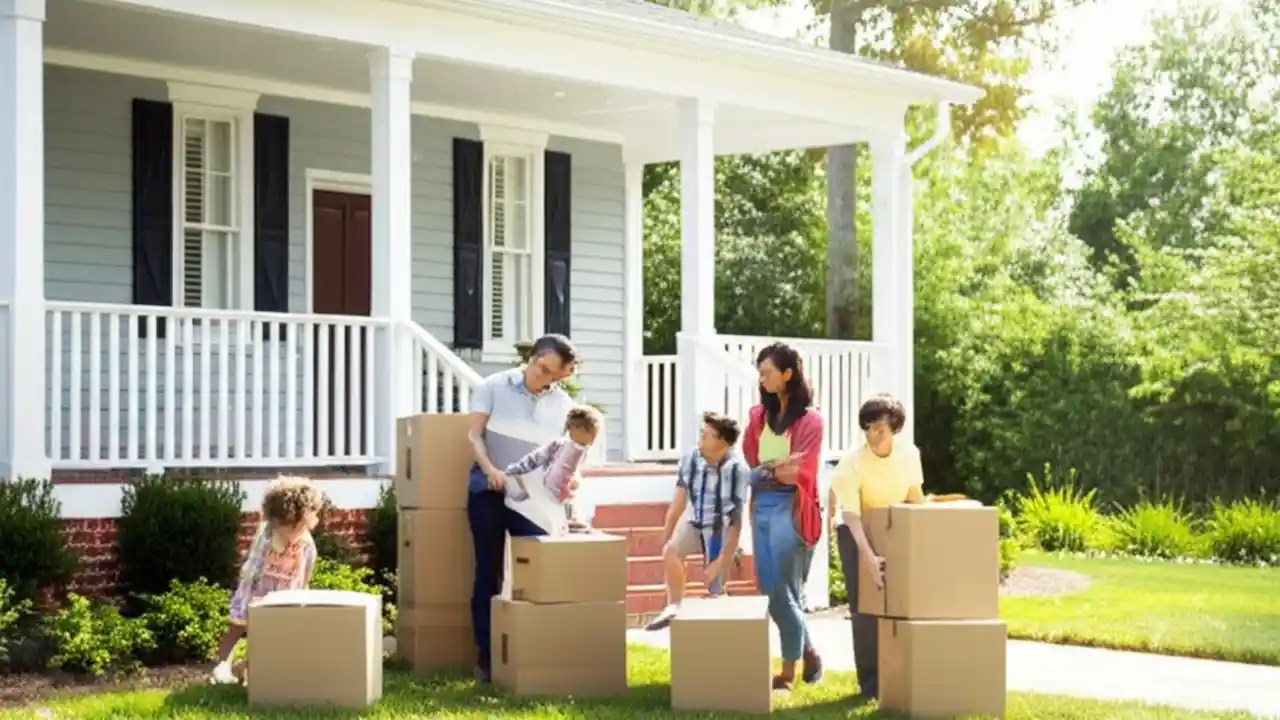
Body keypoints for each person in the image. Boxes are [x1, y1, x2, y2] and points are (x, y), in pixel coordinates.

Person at [466, 333, 581, 683]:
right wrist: (490, 471)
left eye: (556, 378)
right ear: (534, 358)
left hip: (533, 502)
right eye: (545, 372)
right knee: (488, 573)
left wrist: (570, 488)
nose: (547, 382)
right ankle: (487, 659)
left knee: (535, 578)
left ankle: (536, 654)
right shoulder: (492, 386)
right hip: (487, 491)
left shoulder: (563, 406)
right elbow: (473, 435)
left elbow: (566, 456)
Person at [828, 393, 925, 701]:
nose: (873, 435)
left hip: (892, 527)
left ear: (894, 427)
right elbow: (851, 515)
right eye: (868, 428)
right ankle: (870, 683)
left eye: (879, 429)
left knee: (900, 603)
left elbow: (914, 497)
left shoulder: (909, 455)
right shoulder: (850, 462)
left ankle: (901, 675)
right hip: (856, 531)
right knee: (865, 607)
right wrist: (867, 558)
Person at [741, 342, 825, 691]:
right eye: (759, 373)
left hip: (792, 506)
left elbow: (801, 468)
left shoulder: (811, 421)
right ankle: (808, 650)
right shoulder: (758, 417)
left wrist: (769, 469)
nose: (761, 380)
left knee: (784, 589)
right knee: (767, 586)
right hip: (760, 505)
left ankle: (787, 671)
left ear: (788, 374)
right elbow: (749, 459)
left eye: (767, 373)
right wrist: (773, 468)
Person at [210, 475, 324, 685]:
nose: (282, 528)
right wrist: (250, 597)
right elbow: (253, 568)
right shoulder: (267, 535)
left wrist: (302, 598)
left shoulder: (307, 546)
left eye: (290, 525)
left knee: (271, 636)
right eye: (278, 522)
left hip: (285, 593)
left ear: (304, 520)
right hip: (258, 586)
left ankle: (252, 669)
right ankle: (223, 664)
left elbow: (305, 575)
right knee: (239, 623)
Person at [645, 412, 751, 631]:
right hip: (694, 521)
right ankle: (673, 605)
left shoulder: (736, 469)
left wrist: (724, 558)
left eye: (707, 435)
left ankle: (718, 624)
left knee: (715, 584)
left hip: (720, 528)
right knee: (671, 552)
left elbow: (736, 519)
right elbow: (679, 501)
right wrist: (666, 535)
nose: (700, 439)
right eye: (701, 433)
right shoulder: (691, 459)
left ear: (723, 441)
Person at [504, 404, 603, 529]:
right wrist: (514, 470)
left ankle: (571, 518)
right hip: (545, 486)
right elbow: (535, 458)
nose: (580, 446)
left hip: (565, 489)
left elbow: (575, 471)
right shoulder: (558, 445)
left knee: (574, 499)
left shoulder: (584, 451)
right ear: (573, 428)